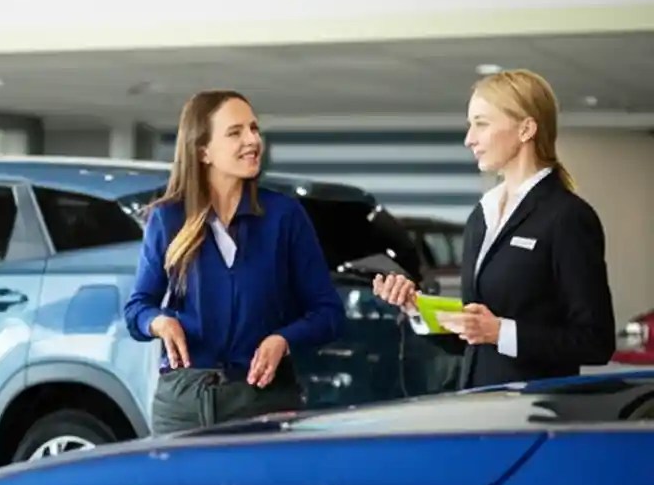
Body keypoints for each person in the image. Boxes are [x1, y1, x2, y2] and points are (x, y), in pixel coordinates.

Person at [373, 69, 615, 387]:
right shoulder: (482, 215)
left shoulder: (567, 217)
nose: (469, 138)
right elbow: (472, 340)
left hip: (533, 412)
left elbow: (596, 342)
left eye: (481, 123)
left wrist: (501, 331)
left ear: (526, 129)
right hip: (481, 406)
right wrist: (418, 307)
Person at [124, 90, 345, 434]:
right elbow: (137, 308)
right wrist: (159, 323)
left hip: (263, 401)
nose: (252, 140)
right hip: (183, 404)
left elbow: (328, 313)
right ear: (203, 151)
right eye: (235, 132)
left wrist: (282, 339)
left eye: (254, 129)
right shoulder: (167, 219)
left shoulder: (284, 217)